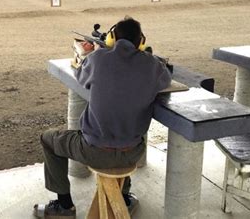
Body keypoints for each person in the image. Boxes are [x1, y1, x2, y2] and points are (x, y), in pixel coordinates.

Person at [33, 17, 172, 218]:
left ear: (111, 39)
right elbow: (165, 78)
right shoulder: (153, 65)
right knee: (126, 130)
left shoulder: (98, 59)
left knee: (48, 138)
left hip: (93, 151)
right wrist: (147, 59)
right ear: (141, 41)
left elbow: (81, 77)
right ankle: (123, 198)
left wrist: (95, 55)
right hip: (133, 151)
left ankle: (64, 206)